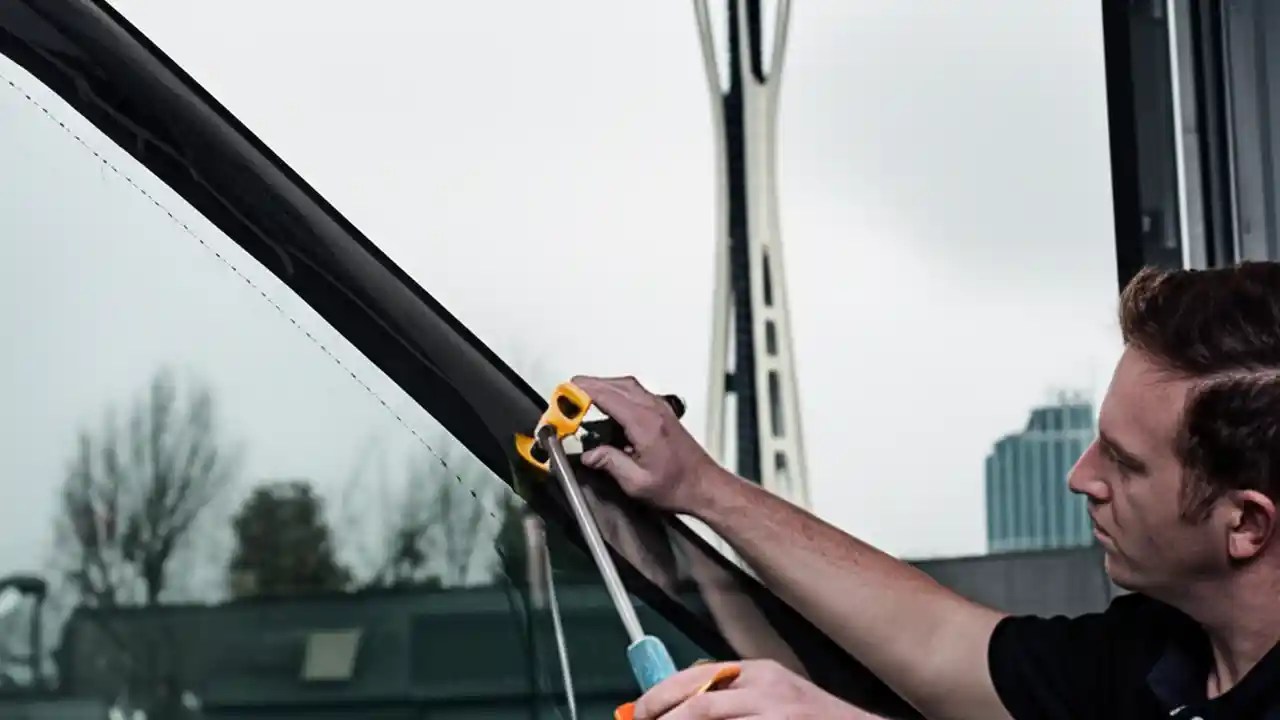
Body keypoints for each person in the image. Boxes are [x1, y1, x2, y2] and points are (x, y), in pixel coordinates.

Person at [573, 262, 1280, 720]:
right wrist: (701, 487)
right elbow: (942, 646)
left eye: (1124, 464)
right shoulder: (1161, 657)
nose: (1080, 477)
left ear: (1246, 524)